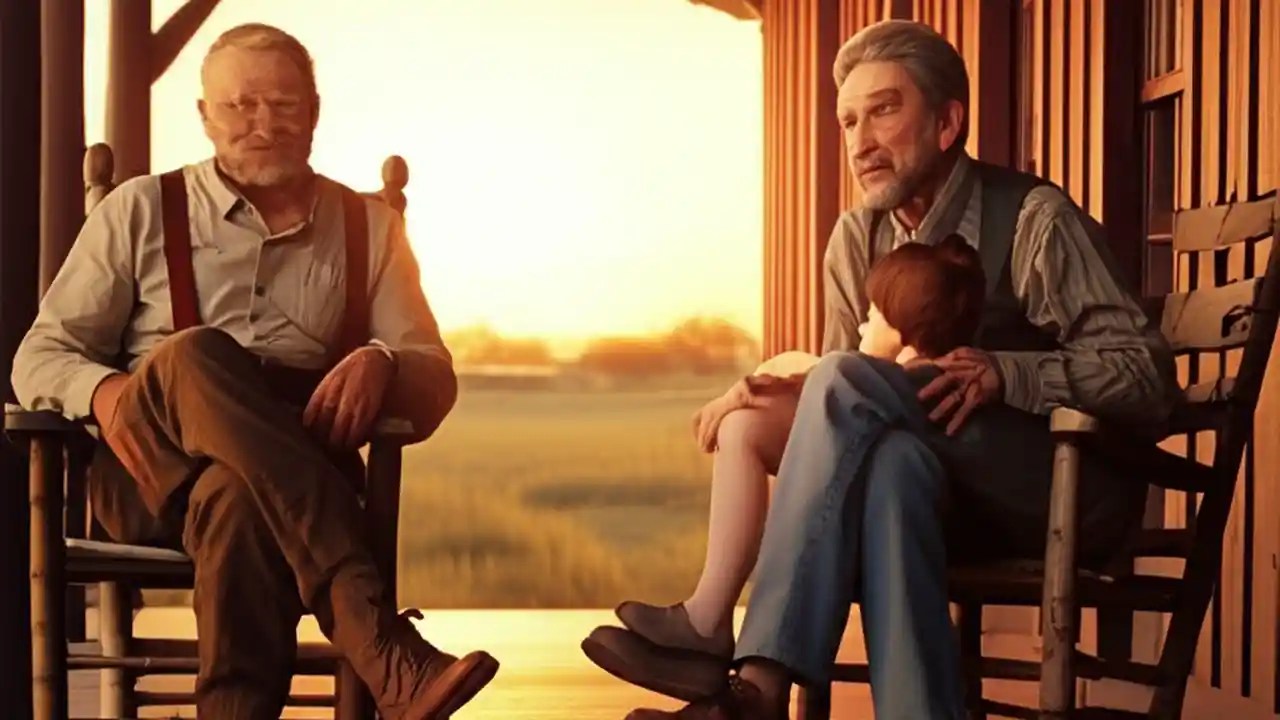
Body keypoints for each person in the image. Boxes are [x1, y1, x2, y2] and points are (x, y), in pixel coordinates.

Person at [587, 19, 1177, 720]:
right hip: (937, 493)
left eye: (884, 110)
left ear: (947, 121)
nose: (860, 142)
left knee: (842, 384)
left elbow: (1146, 377)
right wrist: (767, 392)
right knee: (891, 462)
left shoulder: (1033, 220)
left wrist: (1006, 373)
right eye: (847, 121)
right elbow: (844, 413)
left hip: (1051, 487)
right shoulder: (855, 239)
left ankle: (754, 677)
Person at [11, 23, 497, 720]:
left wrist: (383, 362)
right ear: (205, 117)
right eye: (240, 106)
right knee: (193, 354)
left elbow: (435, 377)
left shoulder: (370, 226)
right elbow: (39, 356)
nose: (263, 124)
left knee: (241, 496)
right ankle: (377, 636)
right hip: (147, 468)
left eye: (283, 105)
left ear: (314, 113)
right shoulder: (139, 210)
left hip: (285, 469)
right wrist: (106, 388)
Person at [583, 235, 986, 699]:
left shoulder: (932, 382)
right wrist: (744, 398)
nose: (861, 323)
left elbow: (841, 380)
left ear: (898, 332)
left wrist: (766, 386)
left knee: (838, 405)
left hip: (904, 521)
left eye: (872, 315)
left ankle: (755, 681)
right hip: (859, 491)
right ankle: (708, 618)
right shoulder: (877, 382)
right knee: (744, 427)